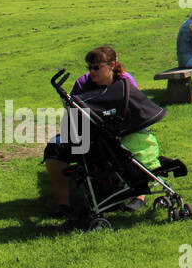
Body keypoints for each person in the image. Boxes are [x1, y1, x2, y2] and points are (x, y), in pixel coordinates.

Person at [44, 46, 146, 218]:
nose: (92, 72)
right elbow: (71, 117)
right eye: (89, 67)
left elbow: (137, 113)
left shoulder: (125, 82)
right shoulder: (82, 83)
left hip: (121, 131)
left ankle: (139, 196)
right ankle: (63, 204)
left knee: (135, 144)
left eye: (97, 67)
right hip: (87, 134)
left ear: (111, 65)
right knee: (54, 148)